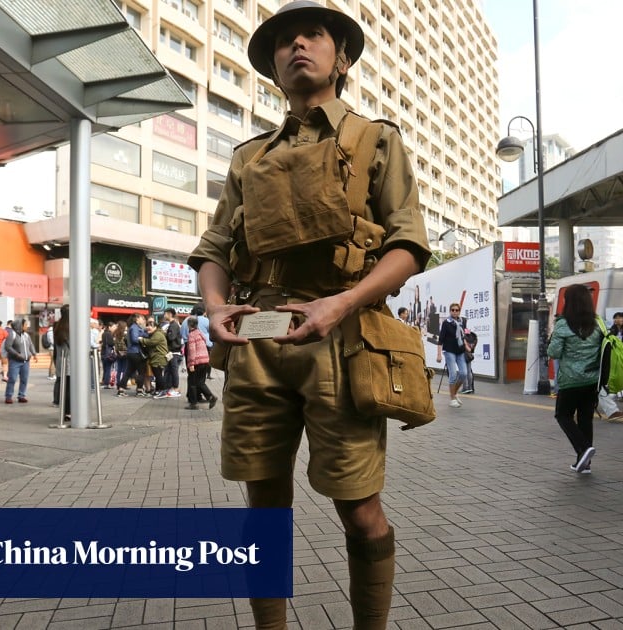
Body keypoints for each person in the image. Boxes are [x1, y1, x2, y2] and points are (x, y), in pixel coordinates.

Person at [186, 2, 431, 626]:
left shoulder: (377, 140)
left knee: (359, 506)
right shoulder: (248, 158)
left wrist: (343, 303)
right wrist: (215, 308)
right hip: (258, 339)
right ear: (272, 69)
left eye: (312, 36)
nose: (298, 45)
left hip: (342, 341)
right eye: (283, 42)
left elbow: (408, 244)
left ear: (340, 58)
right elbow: (215, 248)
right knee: (263, 507)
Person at [547, 284, 604, 474]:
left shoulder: (563, 324)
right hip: (592, 380)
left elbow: (553, 352)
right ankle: (584, 463)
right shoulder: (598, 323)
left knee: (562, 415)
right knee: (585, 419)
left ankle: (583, 448)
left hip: (571, 380)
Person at [436, 303, 468, 408]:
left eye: (456, 310)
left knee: (463, 373)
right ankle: (452, 399)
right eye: (453, 310)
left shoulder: (462, 322)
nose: (454, 312)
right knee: (453, 374)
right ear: (450, 311)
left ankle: (454, 392)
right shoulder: (446, 323)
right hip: (449, 351)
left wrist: (467, 346)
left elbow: (464, 336)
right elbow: (440, 339)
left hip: (460, 351)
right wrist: (439, 355)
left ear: (459, 311)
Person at [182, 316, 214, 410]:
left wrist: (191, 364)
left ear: (189, 325)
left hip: (197, 362)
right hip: (205, 360)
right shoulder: (200, 333)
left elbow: (192, 350)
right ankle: (211, 397)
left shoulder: (192, 335)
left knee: (192, 382)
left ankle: (193, 403)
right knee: (200, 382)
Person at [1, 318, 36, 403]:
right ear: (20, 326)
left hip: (26, 361)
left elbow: (30, 345)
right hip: (15, 361)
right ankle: (8, 396)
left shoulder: (26, 335)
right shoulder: (12, 334)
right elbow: (8, 347)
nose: (27, 326)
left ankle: (21, 395)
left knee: (24, 379)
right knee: (12, 379)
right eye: (25, 325)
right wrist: (17, 354)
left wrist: (34, 354)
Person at [116, 313, 147, 397]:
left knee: (128, 372)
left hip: (131, 352)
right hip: (136, 353)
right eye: (142, 318)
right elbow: (134, 339)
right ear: (137, 319)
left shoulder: (133, 327)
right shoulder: (135, 327)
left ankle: (121, 390)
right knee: (141, 372)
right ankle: (139, 390)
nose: (143, 320)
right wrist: (142, 339)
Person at [140, 317, 170, 398]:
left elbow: (151, 342)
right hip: (156, 357)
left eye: (150, 326)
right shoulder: (155, 334)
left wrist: (141, 339)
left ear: (155, 327)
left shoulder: (158, 334)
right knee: (158, 375)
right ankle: (158, 390)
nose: (148, 328)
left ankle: (163, 391)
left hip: (159, 358)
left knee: (158, 375)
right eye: (147, 326)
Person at [161, 308, 183, 399]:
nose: (164, 315)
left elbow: (171, 337)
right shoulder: (172, 324)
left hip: (174, 352)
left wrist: (165, 334)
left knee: (173, 371)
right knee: (169, 370)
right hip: (171, 352)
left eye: (165, 313)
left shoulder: (174, 325)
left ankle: (175, 388)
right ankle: (169, 388)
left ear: (170, 314)